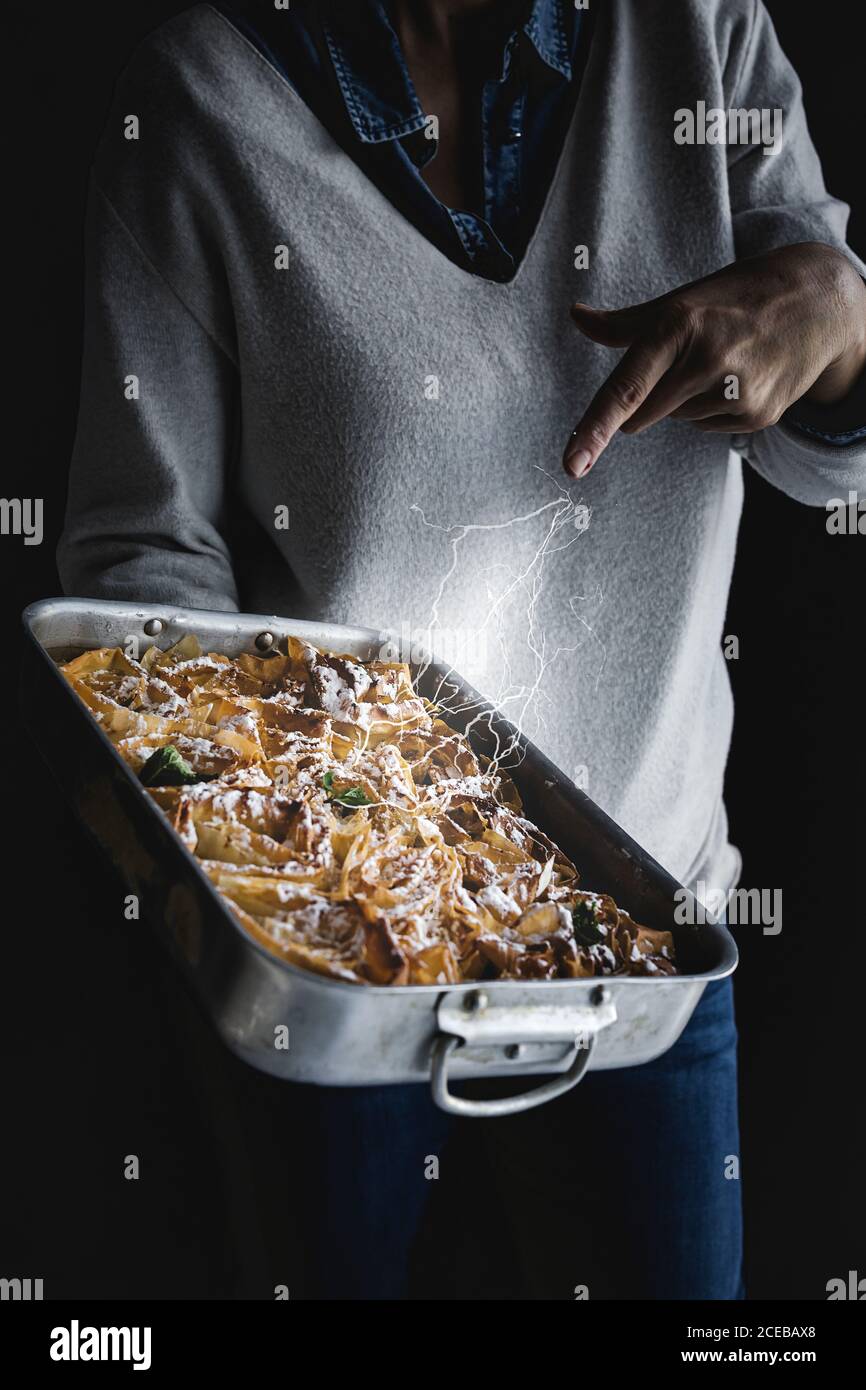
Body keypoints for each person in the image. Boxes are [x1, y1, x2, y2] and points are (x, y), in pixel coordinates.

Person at [58, 0, 866, 1299]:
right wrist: (250, 813)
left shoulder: (698, 30)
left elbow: (831, 464)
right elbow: (137, 544)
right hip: (327, 968)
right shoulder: (201, 96)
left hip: (645, 952)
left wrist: (839, 318)